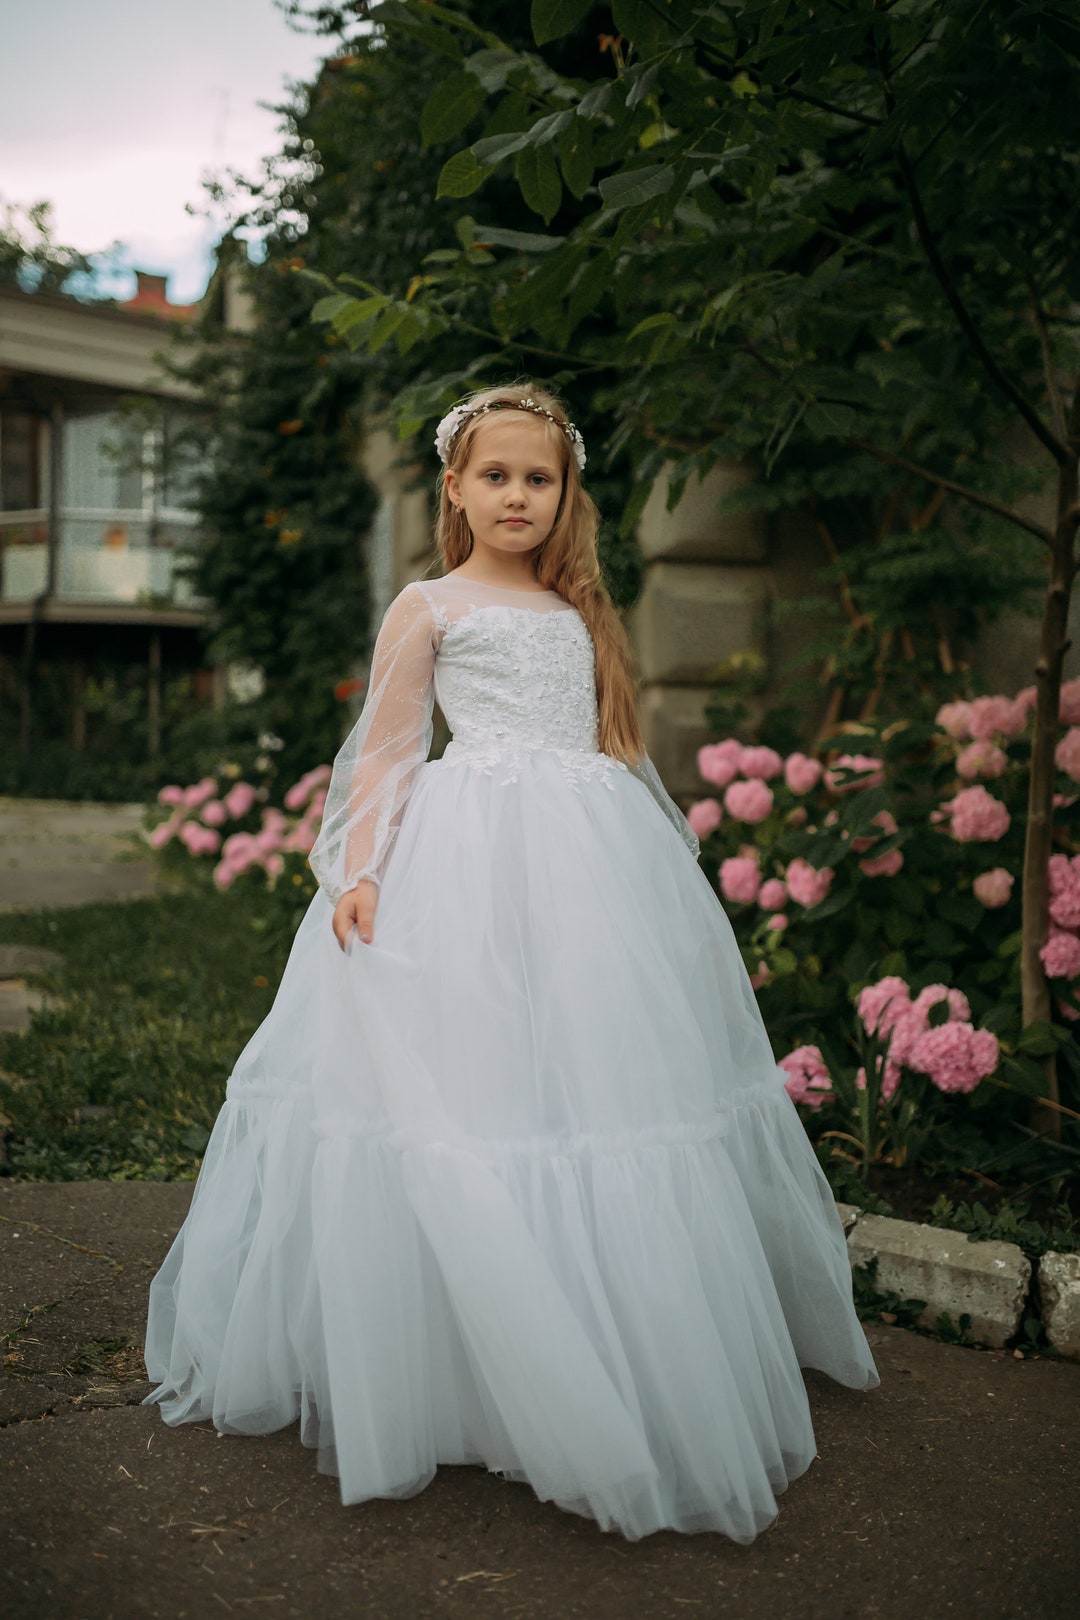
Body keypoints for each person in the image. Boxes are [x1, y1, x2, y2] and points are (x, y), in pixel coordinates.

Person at [144, 382, 878, 1543]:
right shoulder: (429, 605)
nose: (518, 496)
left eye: (539, 478)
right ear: (455, 488)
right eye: (496, 476)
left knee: (586, 1077)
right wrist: (363, 872)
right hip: (465, 861)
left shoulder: (581, 611)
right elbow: (387, 751)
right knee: (469, 1082)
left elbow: (612, 752)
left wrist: (660, 880)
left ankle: (601, 1335)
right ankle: (464, 1357)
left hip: (588, 863)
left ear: (565, 491)